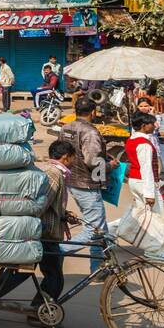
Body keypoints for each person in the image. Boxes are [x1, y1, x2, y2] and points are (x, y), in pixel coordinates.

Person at [0, 139, 78, 324]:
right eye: (72, 158)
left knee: (21, 271)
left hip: (44, 231)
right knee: (52, 275)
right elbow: (41, 204)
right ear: (65, 157)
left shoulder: (54, 172)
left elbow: (49, 203)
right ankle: (40, 309)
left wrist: (64, 214)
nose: (73, 161)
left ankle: (37, 308)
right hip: (45, 232)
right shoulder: (54, 174)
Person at [59, 97, 116, 272]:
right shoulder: (90, 132)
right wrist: (109, 165)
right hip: (87, 185)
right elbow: (92, 161)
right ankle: (56, 250)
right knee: (94, 231)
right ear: (93, 112)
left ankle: (99, 268)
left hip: (71, 181)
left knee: (101, 229)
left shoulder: (66, 128)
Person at [126, 113, 164, 261]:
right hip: (143, 183)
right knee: (158, 218)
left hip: (136, 181)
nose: (154, 126)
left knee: (142, 214)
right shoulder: (144, 144)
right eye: (152, 124)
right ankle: (157, 250)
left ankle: (111, 232)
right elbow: (146, 168)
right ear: (143, 126)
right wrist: (150, 193)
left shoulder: (132, 140)